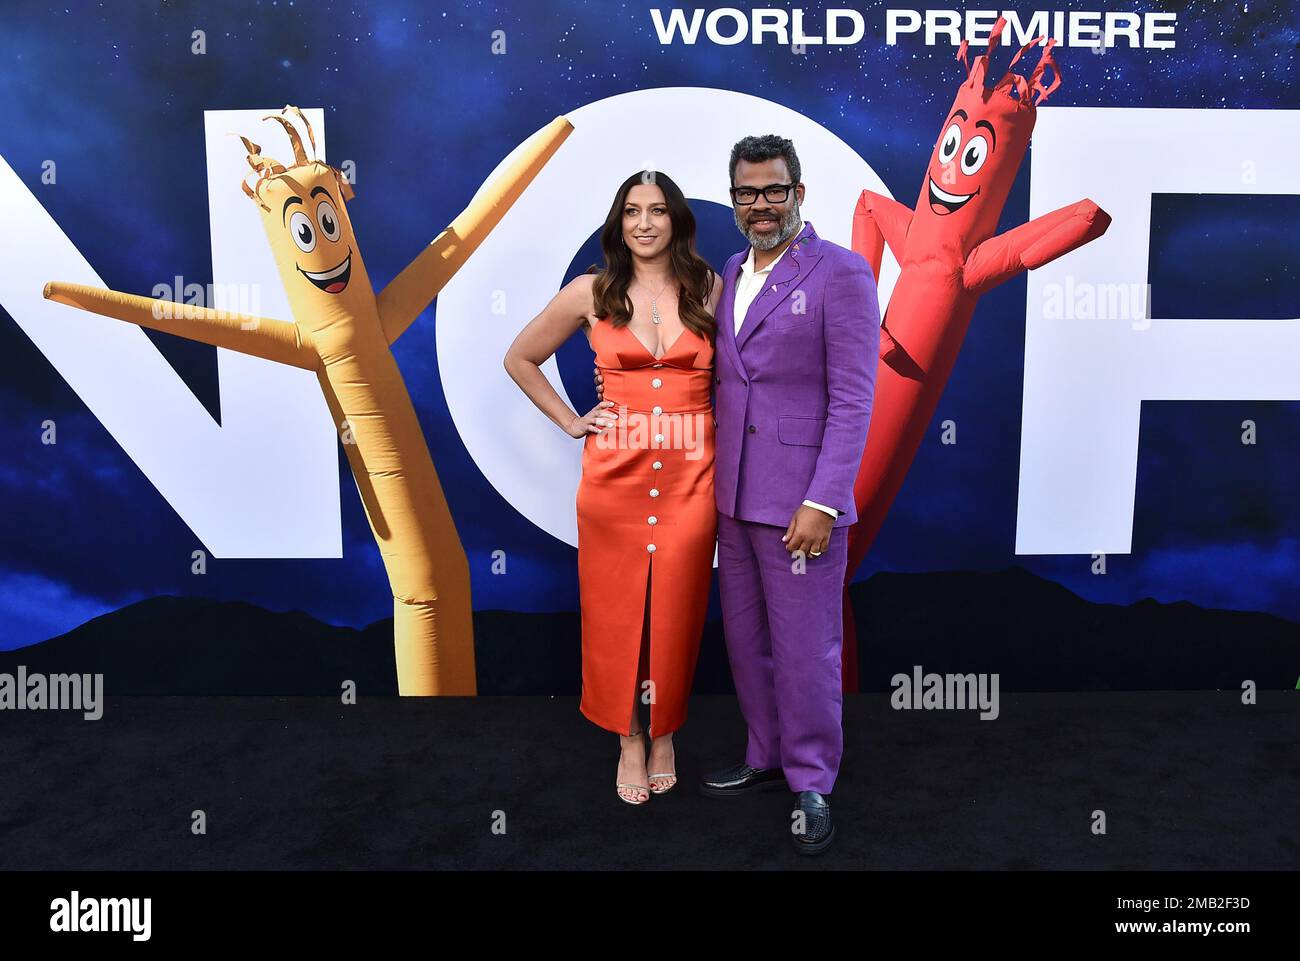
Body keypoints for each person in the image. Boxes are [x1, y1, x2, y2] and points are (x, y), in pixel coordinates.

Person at [504, 170, 721, 805]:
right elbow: (519, 357)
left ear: (676, 219)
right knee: (614, 612)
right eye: (632, 211)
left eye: (657, 211)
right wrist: (572, 421)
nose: (645, 223)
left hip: (692, 477)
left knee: (677, 609)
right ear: (618, 222)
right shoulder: (589, 292)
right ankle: (628, 737)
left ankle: (665, 733)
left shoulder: (709, 285)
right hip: (614, 479)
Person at [699, 134, 880, 854]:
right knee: (746, 642)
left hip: (802, 502)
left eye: (774, 190)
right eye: (747, 192)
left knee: (806, 649)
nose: (760, 204)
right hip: (732, 497)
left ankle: (811, 780)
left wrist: (825, 499)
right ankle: (766, 753)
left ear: (799, 192)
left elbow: (855, 397)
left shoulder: (842, 272)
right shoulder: (732, 268)